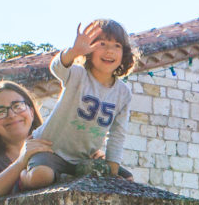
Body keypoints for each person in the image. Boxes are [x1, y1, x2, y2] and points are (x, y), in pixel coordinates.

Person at [18, 19, 137, 188]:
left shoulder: (123, 93)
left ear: (124, 53)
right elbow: (57, 67)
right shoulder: (77, 75)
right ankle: (23, 175)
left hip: (84, 159)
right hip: (51, 151)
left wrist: (112, 170)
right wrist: (73, 52)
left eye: (117, 45)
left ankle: (64, 177)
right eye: (102, 44)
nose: (109, 51)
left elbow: (118, 133)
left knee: (127, 181)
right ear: (89, 50)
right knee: (41, 176)